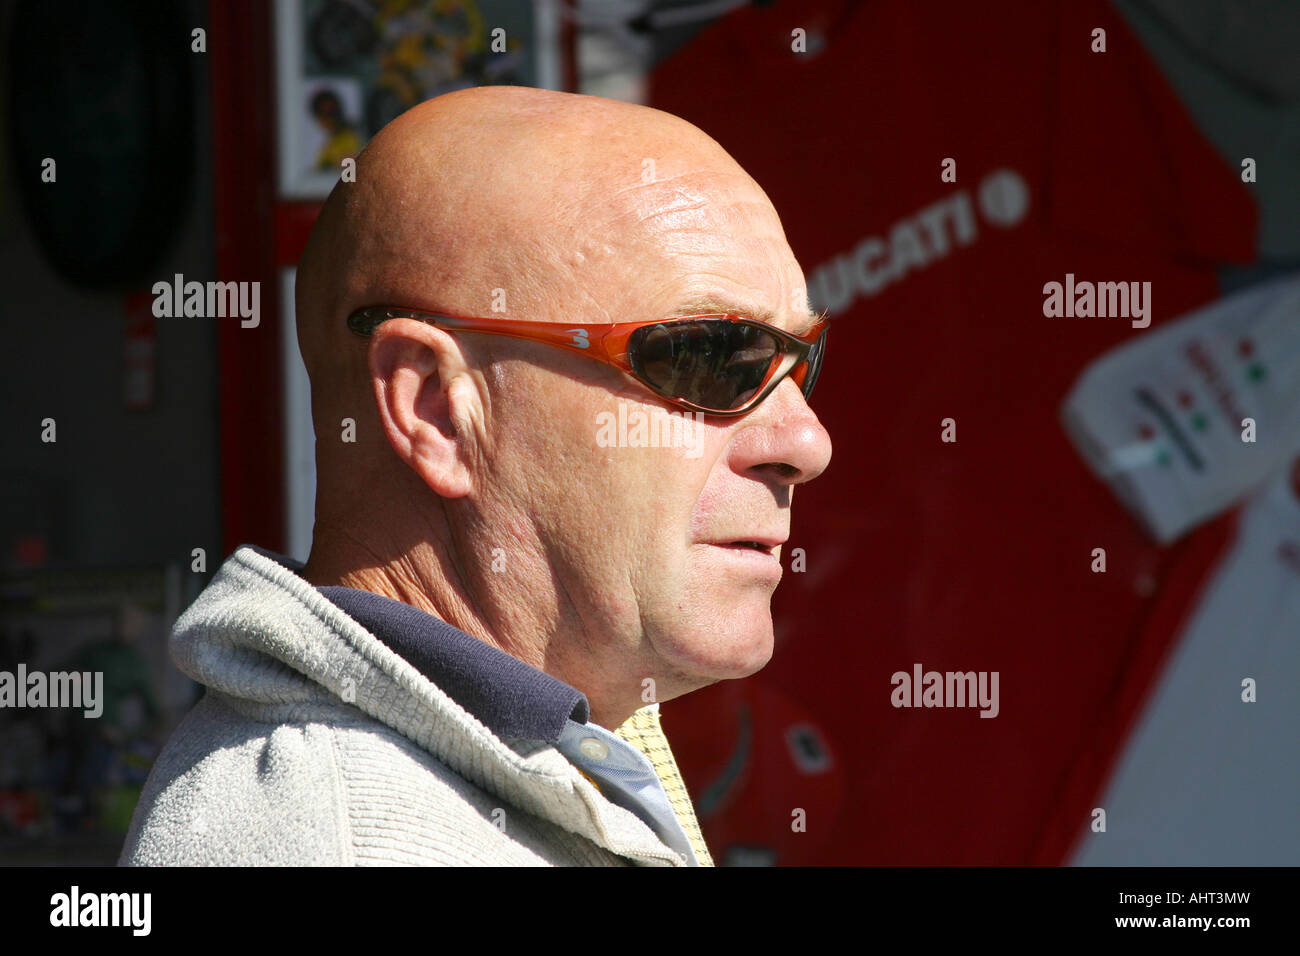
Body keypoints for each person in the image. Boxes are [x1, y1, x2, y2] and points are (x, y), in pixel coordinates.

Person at [119, 85, 832, 866]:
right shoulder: (347, 844)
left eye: (804, 360)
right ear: (435, 411)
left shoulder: (549, 746)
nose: (805, 440)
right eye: (710, 356)